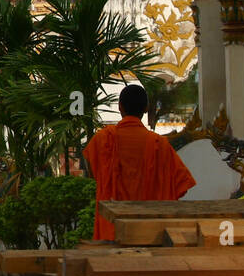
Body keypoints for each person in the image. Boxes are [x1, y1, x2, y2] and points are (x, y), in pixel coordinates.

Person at [83, 82, 196, 241]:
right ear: (146, 108)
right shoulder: (160, 145)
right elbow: (180, 186)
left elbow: (92, 171)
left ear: (119, 107)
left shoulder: (102, 139)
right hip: (151, 234)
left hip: (111, 231)